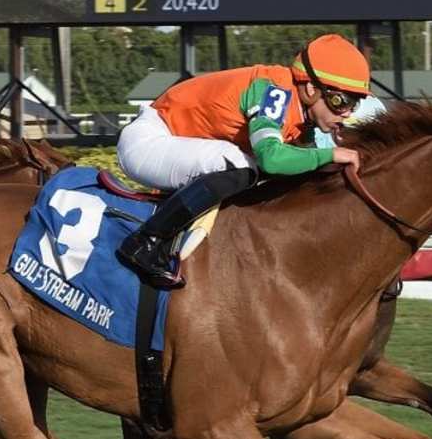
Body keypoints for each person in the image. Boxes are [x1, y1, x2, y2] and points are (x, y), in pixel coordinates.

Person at [115, 33, 370, 289]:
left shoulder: (302, 117)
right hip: (149, 142)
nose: (347, 113)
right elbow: (271, 159)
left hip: (175, 145)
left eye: (354, 104)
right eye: (340, 101)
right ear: (311, 88)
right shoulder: (274, 91)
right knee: (244, 166)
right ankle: (146, 242)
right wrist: (330, 155)